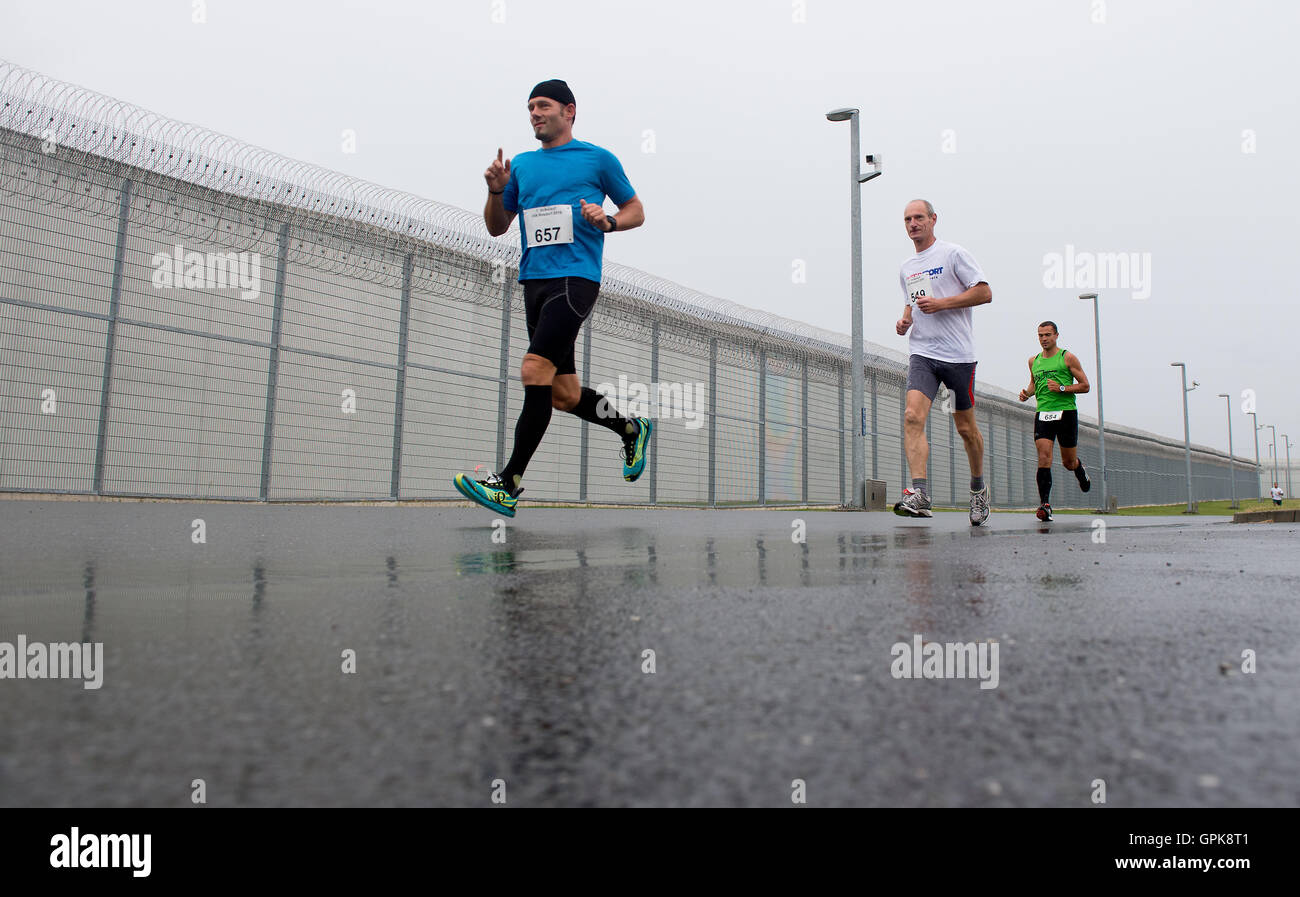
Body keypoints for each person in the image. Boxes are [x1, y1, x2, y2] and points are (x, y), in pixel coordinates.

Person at [454, 79, 650, 517]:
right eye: (529, 109)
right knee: (562, 394)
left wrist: (609, 221)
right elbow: (496, 226)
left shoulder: (597, 159)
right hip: (535, 282)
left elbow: (637, 209)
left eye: (543, 106)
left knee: (532, 368)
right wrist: (495, 190)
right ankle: (631, 428)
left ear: (570, 111)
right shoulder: (521, 165)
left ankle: (508, 483)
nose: (535, 115)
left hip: (575, 279)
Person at [893, 199, 993, 525]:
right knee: (912, 416)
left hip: (958, 358)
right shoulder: (907, 267)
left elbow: (984, 293)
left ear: (933, 219)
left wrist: (943, 304)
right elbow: (913, 301)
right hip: (923, 354)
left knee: (964, 428)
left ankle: (978, 489)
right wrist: (905, 320)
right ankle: (920, 494)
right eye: (908, 219)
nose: (913, 223)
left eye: (919, 217)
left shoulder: (953, 254)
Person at [1018, 321, 1091, 521]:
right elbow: (1034, 384)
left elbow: (1085, 386)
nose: (1044, 339)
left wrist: (1061, 388)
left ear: (1056, 335)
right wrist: (1027, 393)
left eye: (1048, 335)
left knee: (1068, 462)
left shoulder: (1066, 357)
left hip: (1066, 413)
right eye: (1040, 335)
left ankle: (1078, 467)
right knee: (1044, 457)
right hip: (1043, 413)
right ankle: (1045, 505)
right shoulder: (1034, 361)